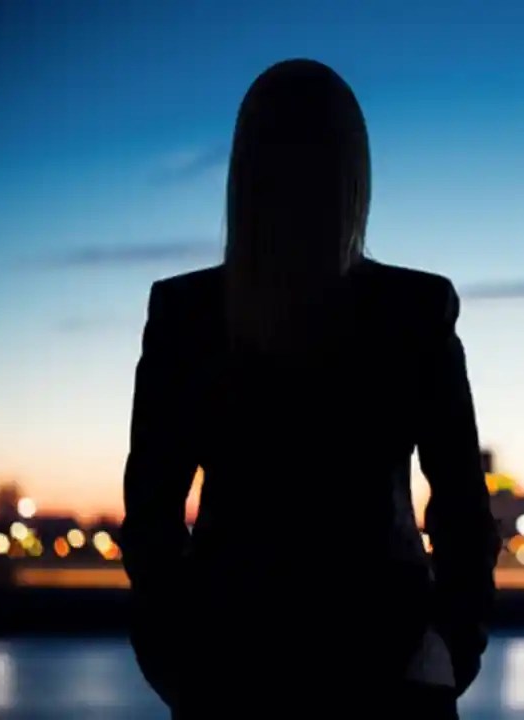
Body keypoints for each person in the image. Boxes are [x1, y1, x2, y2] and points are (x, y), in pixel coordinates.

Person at [120, 58, 501, 718]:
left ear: (243, 172)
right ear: (355, 173)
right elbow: (464, 511)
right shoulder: (411, 311)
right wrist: (448, 650)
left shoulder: (189, 316)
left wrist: (181, 665)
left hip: (240, 669)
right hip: (382, 667)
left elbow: (151, 517)